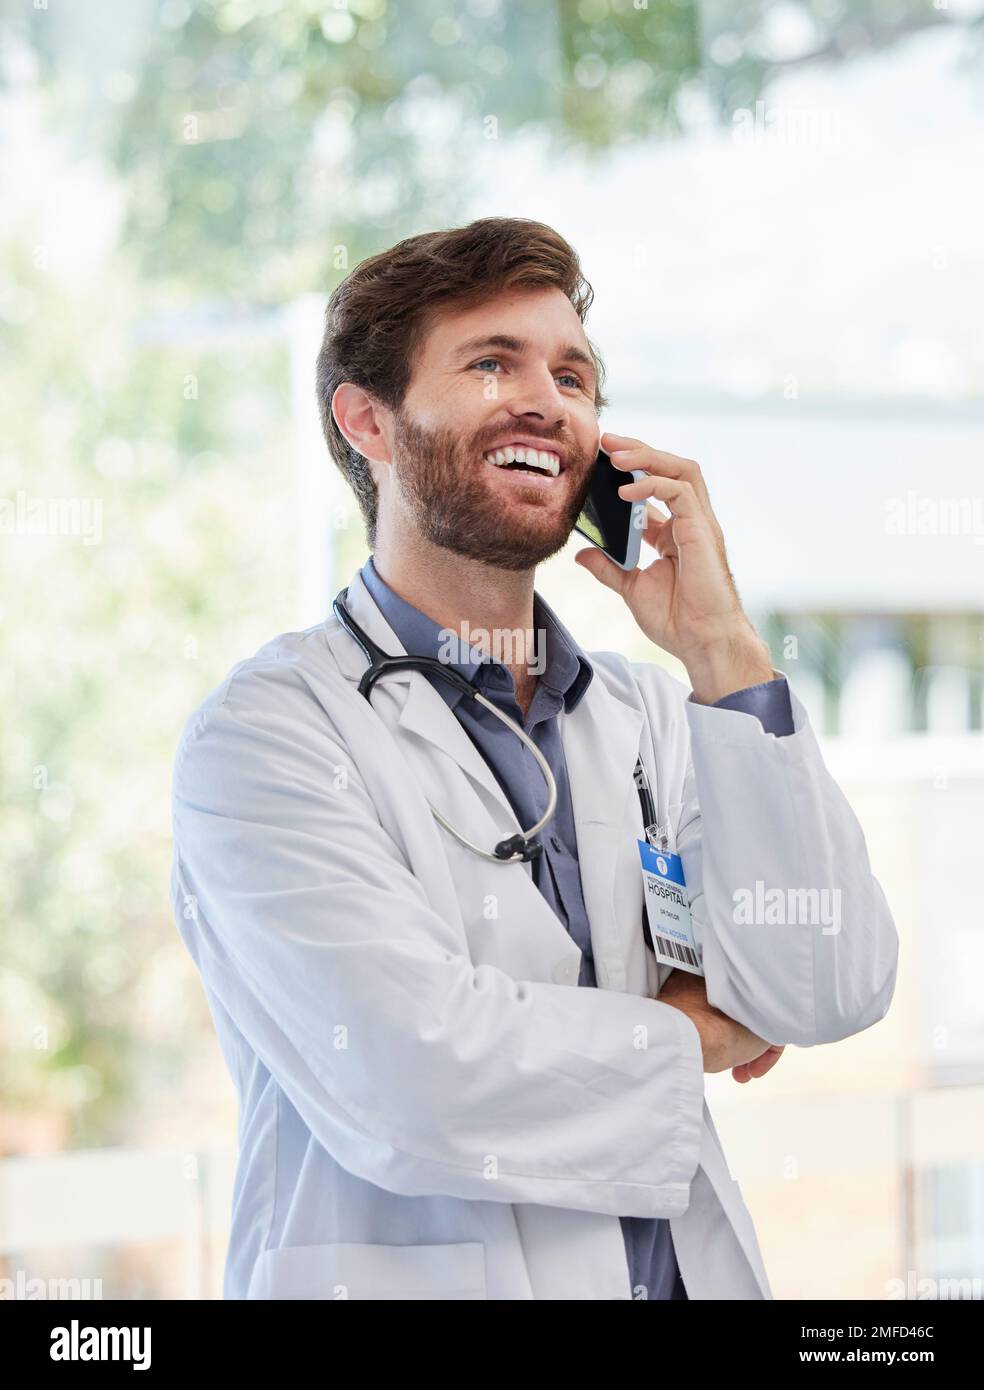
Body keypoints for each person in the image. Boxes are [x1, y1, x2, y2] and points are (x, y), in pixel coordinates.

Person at [169, 217, 899, 1300]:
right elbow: (413, 1073)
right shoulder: (269, 735)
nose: (547, 402)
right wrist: (685, 1030)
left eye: (573, 375)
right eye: (490, 362)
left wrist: (721, 645)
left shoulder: (652, 710)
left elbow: (830, 979)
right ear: (368, 419)